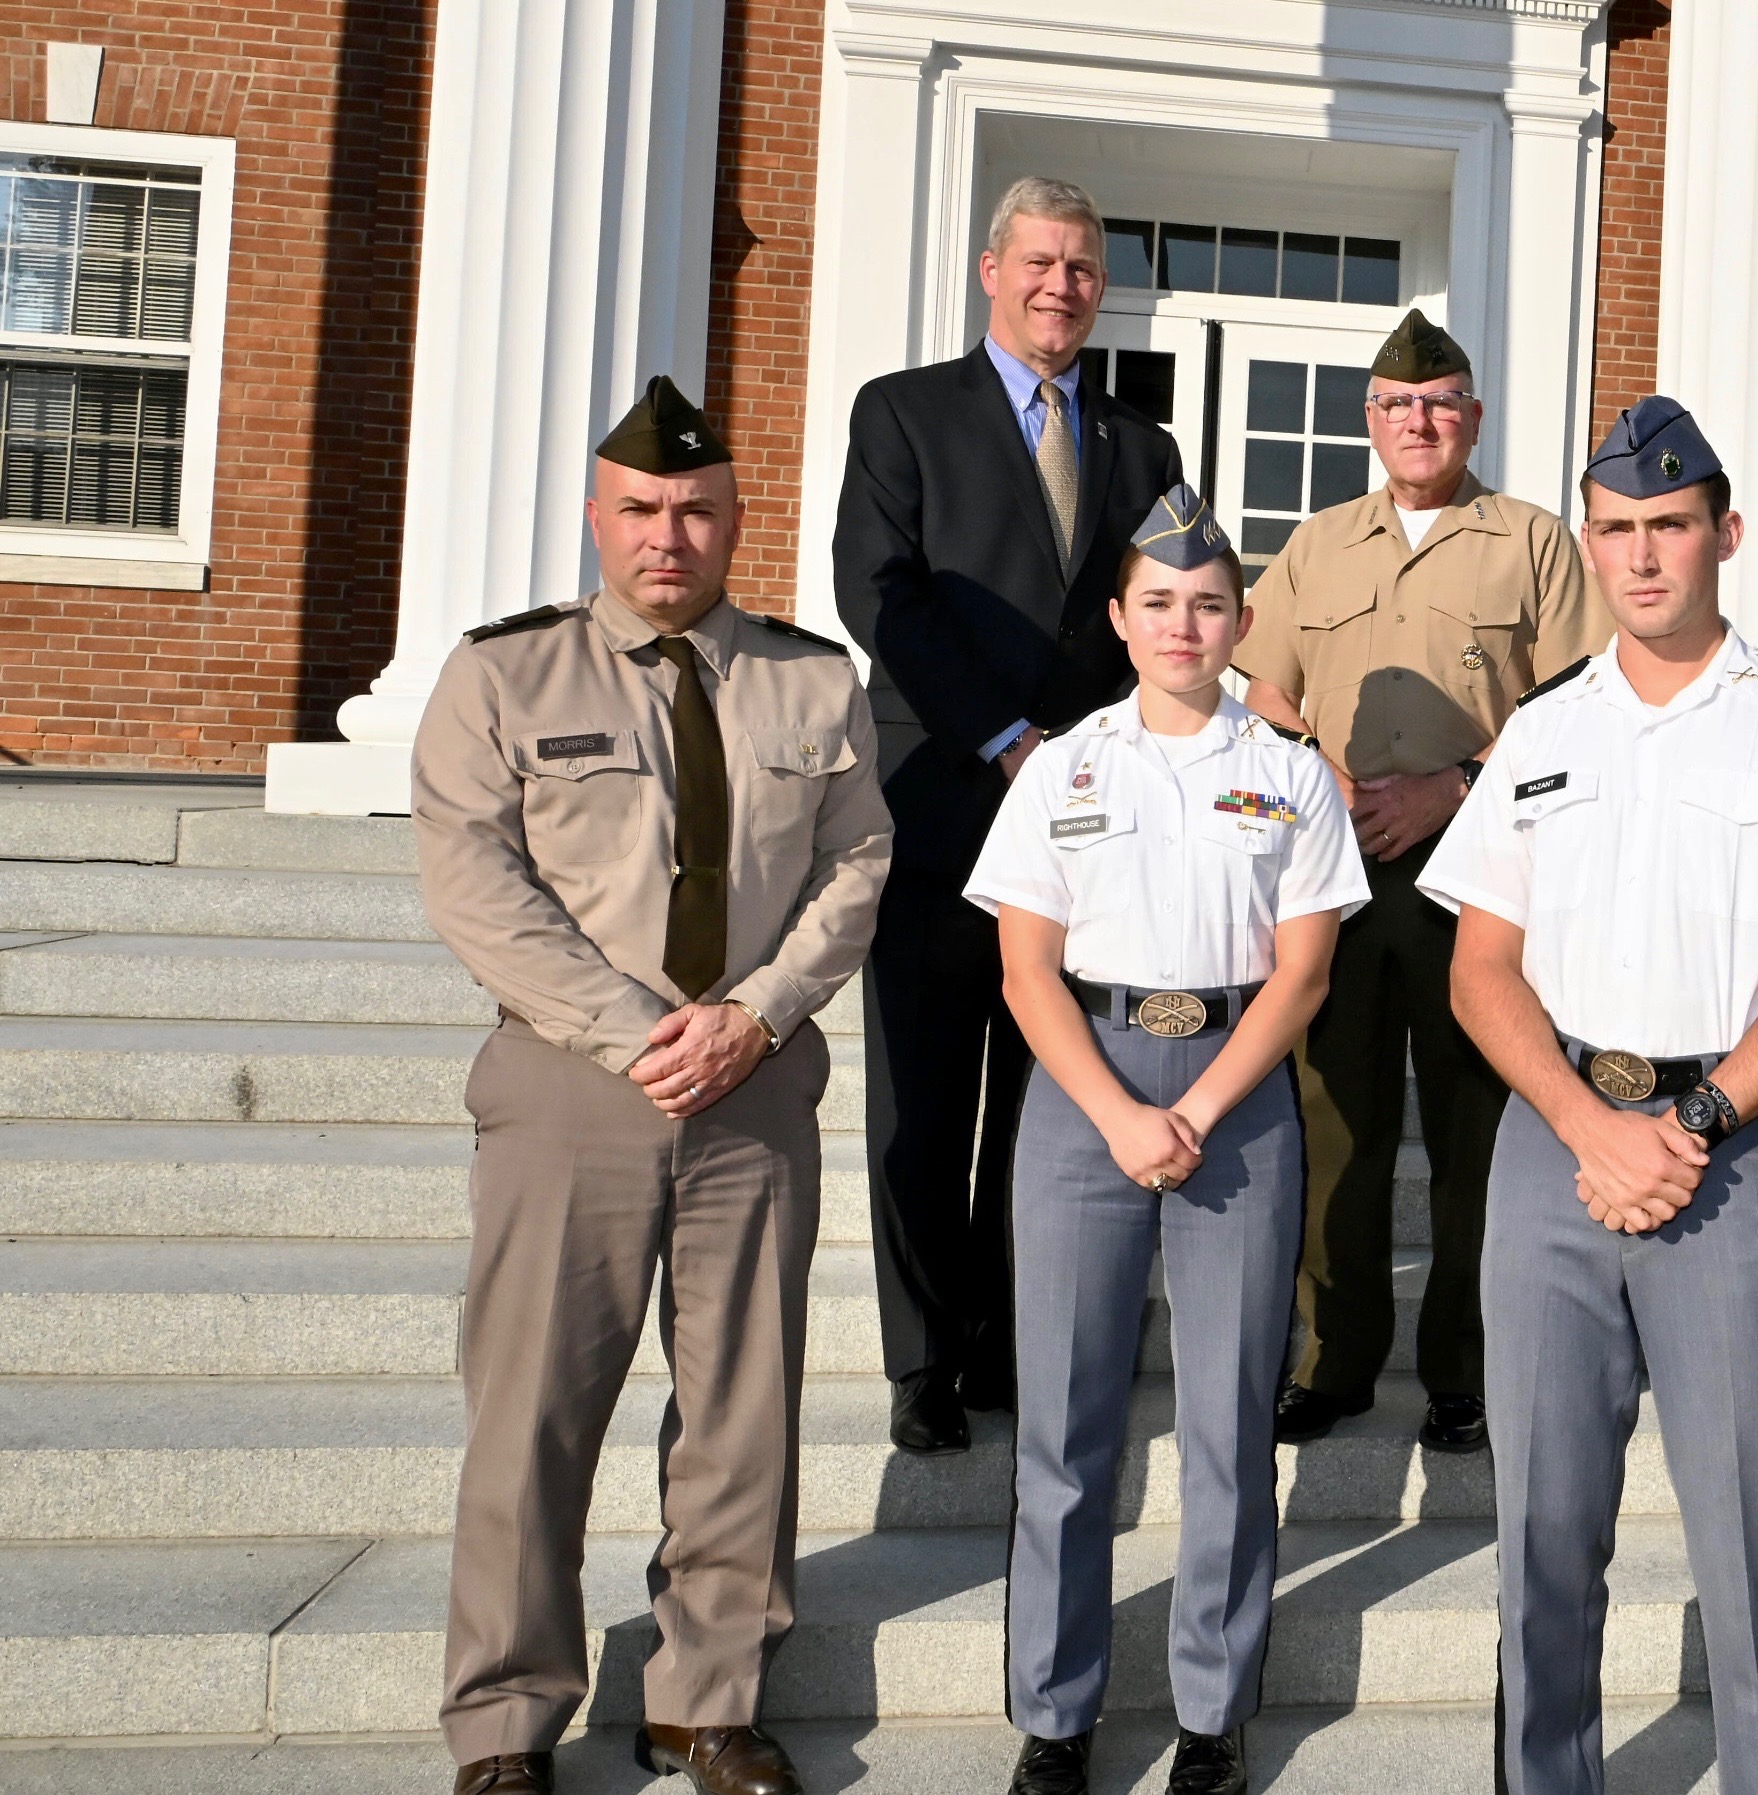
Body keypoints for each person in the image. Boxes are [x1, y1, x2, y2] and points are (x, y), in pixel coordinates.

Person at [1416, 397, 1758, 1795]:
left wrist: (1688, 1129)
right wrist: (1588, 1126)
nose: (1642, 557)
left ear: (1723, 535)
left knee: (1754, 1524)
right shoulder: (1537, 729)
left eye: (1669, 526)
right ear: (1589, 542)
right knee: (1539, 1529)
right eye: (1618, 529)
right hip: (1553, 1144)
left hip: (1727, 1150)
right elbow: (1478, 969)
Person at [415, 376, 893, 1795]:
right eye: (638, 510)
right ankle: (505, 1717)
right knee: (533, 1411)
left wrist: (752, 1015)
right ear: (596, 519)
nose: (665, 536)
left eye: (693, 509)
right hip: (570, 1085)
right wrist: (637, 1029)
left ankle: (708, 1697)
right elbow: (475, 882)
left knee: (742, 1407)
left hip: (750, 1088)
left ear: (735, 519)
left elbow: (855, 861)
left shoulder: (813, 682)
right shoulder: (503, 675)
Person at [966, 486, 1367, 1795]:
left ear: (1240, 619)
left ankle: (1210, 1708)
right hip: (1083, 1093)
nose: (1183, 623)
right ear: (1119, 620)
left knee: (1225, 1416)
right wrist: (1122, 1110)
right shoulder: (1064, 768)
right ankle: (1056, 1709)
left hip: (1235, 1093)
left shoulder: (1290, 773)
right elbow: (1025, 971)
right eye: (1158, 603)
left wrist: (1191, 1108)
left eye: (1207, 603)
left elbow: (1302, 974)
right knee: (1068, 1425)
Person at [833, 175, 1185, 1456]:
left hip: (1084, 833)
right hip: (940, 804)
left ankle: (1007, 1343)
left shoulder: (1145, 448)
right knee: (924, 1101)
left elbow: (1159, 616)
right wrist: (1006, 737)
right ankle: (923, 1362)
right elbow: (880, 595)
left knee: (1045, 1102)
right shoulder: (905, 413)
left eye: (1083, 269)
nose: (1060, 287)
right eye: (1038, 262)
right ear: (993, 271)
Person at [1235, 307, 1609, 1455]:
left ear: (1474, 418)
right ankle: (1333, 1363)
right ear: (1371, 423)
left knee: (1475, 1129)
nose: (1420, 421)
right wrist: (1332, 786)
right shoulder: (1317, 542)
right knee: (1333, 1125)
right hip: (1340, 875)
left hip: (1477, 877)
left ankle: (1467, 1371)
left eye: (1441, 402)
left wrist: (1451, 787)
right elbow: (1263, 692)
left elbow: (1577, 703)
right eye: (1399, 405)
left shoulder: (1534, 541)